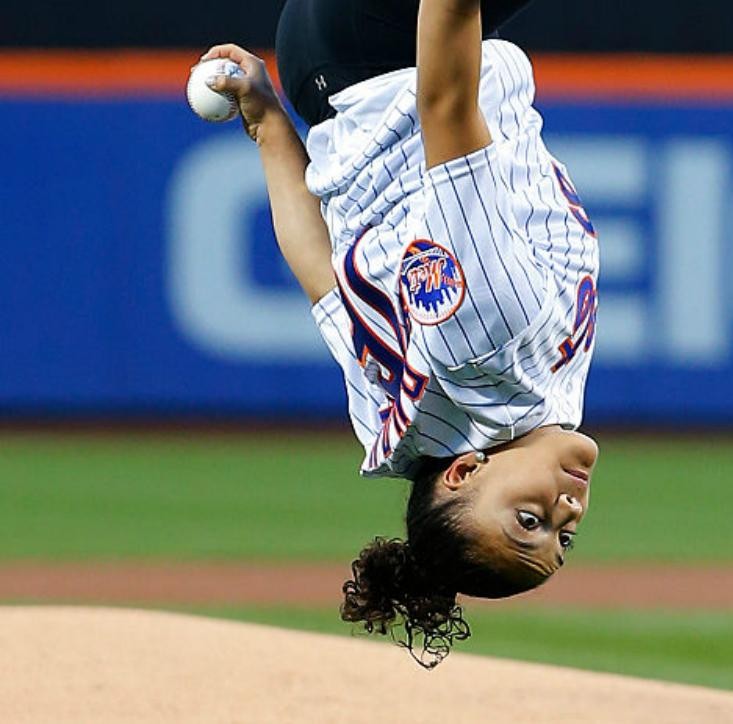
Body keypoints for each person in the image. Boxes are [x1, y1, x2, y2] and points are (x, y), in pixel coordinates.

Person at [201, 0, 599, 668]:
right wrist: (268, 120)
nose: (566, 513)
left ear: (467, 472)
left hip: (386, 48)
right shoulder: (398, 431)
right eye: (562, 539)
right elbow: (319, 270)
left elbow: (444, 104)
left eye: (529, 521)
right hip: (331, 72)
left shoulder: (488, 345)